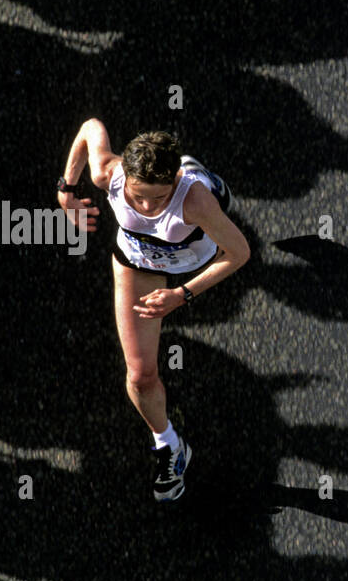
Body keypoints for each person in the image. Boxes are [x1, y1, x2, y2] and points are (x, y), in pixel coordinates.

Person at [57, 120, 250, 500]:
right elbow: (89, 127)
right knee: (141, 375)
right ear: (124, 175)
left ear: (173, 184)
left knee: (210, 195)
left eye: (159, 199)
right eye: (138, 196)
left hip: (189, 263)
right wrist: (65, 190)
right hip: (137, 264)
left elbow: (239, 253)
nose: (147, 206)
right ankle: (170, 446)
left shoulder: (193, 202)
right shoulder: (108, 173)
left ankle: (200, 173)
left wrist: (182, 294)